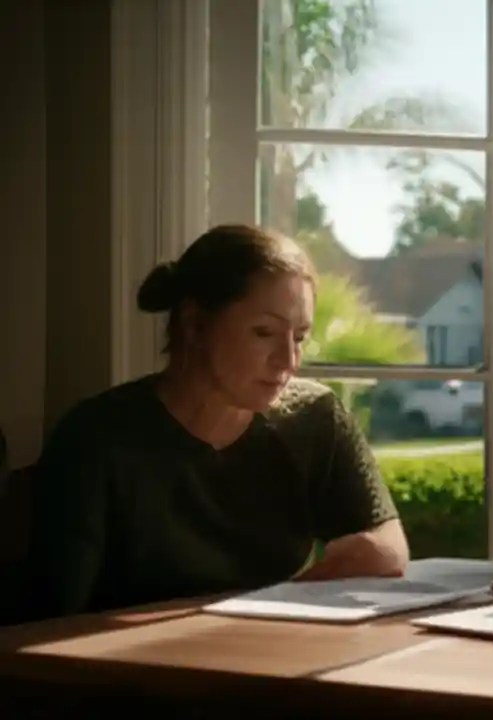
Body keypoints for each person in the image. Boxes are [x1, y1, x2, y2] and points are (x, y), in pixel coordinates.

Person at [30, 224, 409, 617]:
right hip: (129, 669)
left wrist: (298, 595)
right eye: (264, 333)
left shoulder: (315, 419)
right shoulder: (96, 437)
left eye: (298, 337)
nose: (288, 360)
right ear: (195, 324)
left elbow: (387, 548)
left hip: (272, 656)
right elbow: (48, 622)